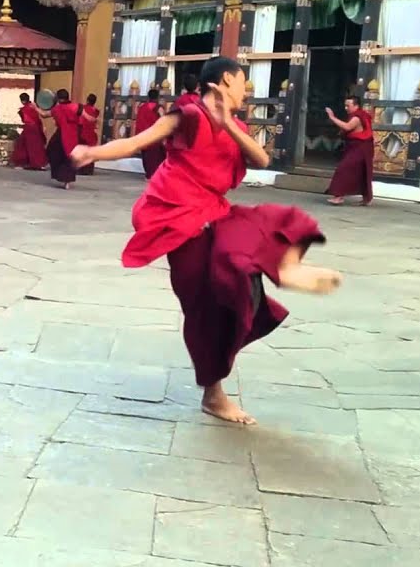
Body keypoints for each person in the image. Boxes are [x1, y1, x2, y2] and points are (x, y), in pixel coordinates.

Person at [69, 57, 341, 425]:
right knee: (205, 306)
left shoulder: (235, 124)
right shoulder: (187, 115)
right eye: (243, 82)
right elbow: (137, 142)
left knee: (270, 230)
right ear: (225, 80)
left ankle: (285, 268)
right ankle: (214, 394)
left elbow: (260, 158)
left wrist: (228, 123)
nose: (247, 90)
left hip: (214, 211)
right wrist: (92, 153)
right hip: (177, 215)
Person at [324, 95, 374, 206]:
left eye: (348, 105)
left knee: (343, 168)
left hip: (361, 148)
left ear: (356, 105)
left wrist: (332, 117)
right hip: (356, 146)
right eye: (345, 105)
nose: (346, 108)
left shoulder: (357, 117)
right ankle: (367, 198)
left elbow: (347, 127)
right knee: (361, 172)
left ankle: (339, 196)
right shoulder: (357, 115)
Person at [45, 89, 81, 189]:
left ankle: (60, 176)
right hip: (73, 135)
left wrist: (36, 107)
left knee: (53, 152)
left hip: (61, 134)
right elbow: (87, 117)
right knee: (69, 156)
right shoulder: (75, 106)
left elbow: (44, 115)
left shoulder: (56, 109)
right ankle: (67, 182)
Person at [10, 92, 48, 170]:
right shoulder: (34, 106)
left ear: (22, 100)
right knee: (37, 146)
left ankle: (22, 163)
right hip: (36, 128)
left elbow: (24, 120)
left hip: (29, 128)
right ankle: (40, 164)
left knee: (22, 145)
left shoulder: (23, 109)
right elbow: (39, 119)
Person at [134, 88, 165, 178]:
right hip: (154, 136)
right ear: (157, 97)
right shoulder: (159, 108)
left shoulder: (142, 107)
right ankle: (153, 175)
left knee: (147, 157)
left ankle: (148, 174)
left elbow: (139, 121)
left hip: (144, 136)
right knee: (156, 157)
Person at [78, 93, 101, 176]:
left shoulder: (82, 108)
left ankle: (80, 169)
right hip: (91, 134)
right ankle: (89, 170)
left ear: (87, 100)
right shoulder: (95, 110)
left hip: (81, 132)